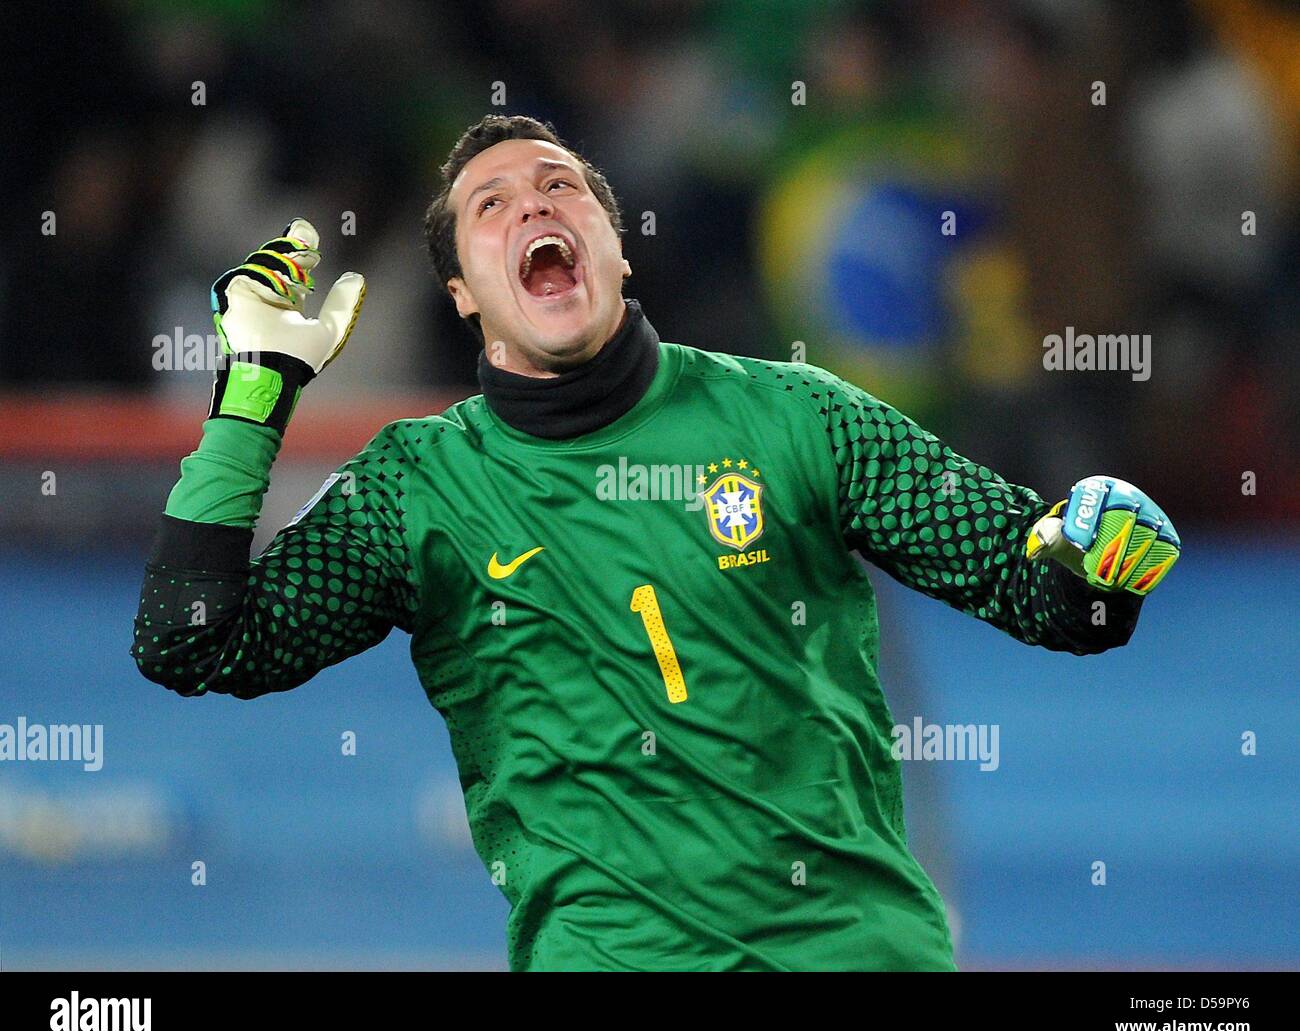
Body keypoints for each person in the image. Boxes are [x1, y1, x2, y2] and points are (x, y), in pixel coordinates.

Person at [133, 114, 1181, 971]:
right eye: (490, 206)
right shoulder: (417, 485)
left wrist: (1100, 564)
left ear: (614, 244)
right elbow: (192, 642)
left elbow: (1041, 592)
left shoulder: (800, 417)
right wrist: (252, 397)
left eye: (560, 188)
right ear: (462, 291)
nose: (533, 205)